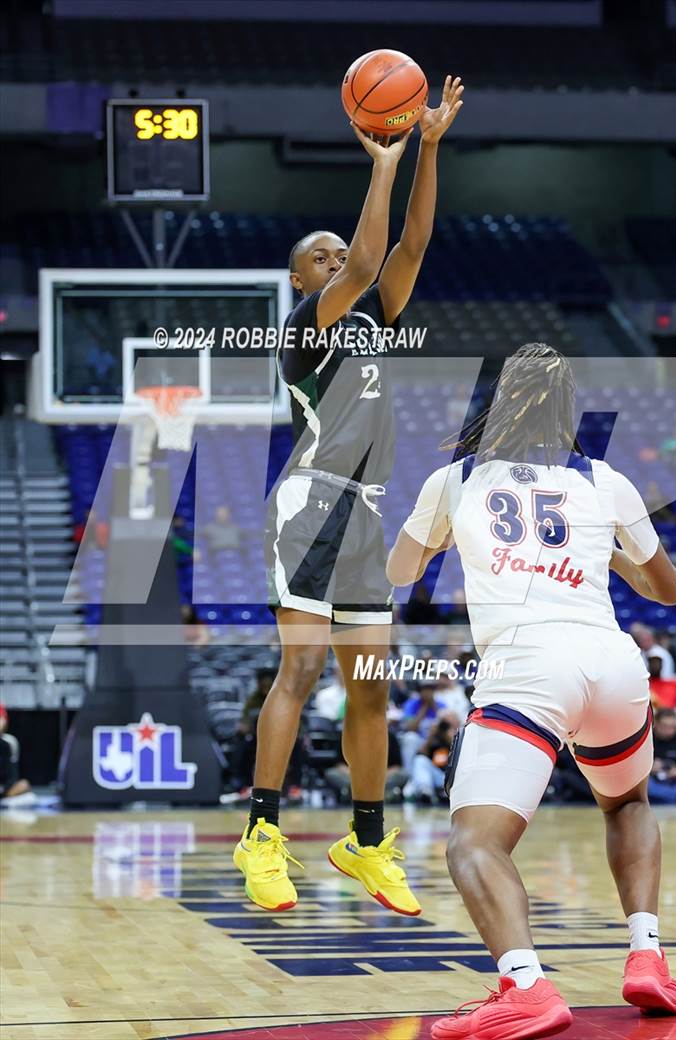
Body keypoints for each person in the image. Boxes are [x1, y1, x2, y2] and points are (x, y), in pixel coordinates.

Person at [387, 344, 676, 1037]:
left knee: (474, 844)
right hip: (613, 661)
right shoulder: (604, 480)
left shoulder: (455, 478)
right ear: (568, 407)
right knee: (628, 802)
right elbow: (667, 590)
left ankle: (524, 984)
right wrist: (595, 547)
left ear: (497, 404)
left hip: (528, 663)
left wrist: (445, 538)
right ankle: (647, 956)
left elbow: (402, 570)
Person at [234, 77, 464, 917]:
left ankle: (364, 843)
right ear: (300, 277)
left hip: (365, 511)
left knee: (370, 684)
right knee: (299, 668)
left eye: (338, 255)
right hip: (311, 504)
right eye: (322, 257)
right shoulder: (304, 329)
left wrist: (429, 148)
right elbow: (369, 257)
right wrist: (383, 163)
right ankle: (261, 835)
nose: (339, 262)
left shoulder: (369, 322)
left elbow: (409, 246)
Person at [404, 714, 460, 804]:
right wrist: (431, 736)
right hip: (434, 777)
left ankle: (438, 794)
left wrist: (452, 738)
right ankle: (426, 793)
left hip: (450, 779)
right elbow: (421, 755)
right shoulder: (435, 741)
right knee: (420, 760)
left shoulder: (460, 737)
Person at [0, 706, 35, 806]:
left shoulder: (7, 744)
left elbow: (12, 774)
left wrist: (5, 789)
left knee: (24, 784)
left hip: (4, 788)